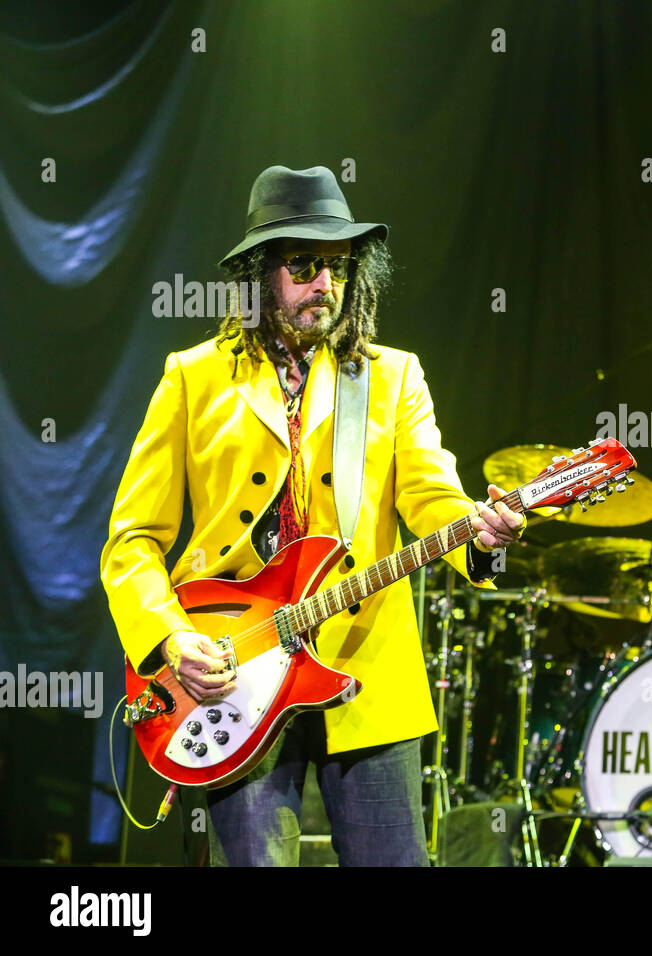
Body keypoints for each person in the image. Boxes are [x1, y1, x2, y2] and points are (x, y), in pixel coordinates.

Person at [100, 165, 525, 866]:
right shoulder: (193, 378)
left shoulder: (391, 377)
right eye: (303, 265)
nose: (325, 284)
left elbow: (433, 497)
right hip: (234, 677)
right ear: (260, 276)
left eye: (338, 266)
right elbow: (132, 542)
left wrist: (481, 536)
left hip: (367, 677)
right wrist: (173, 641)